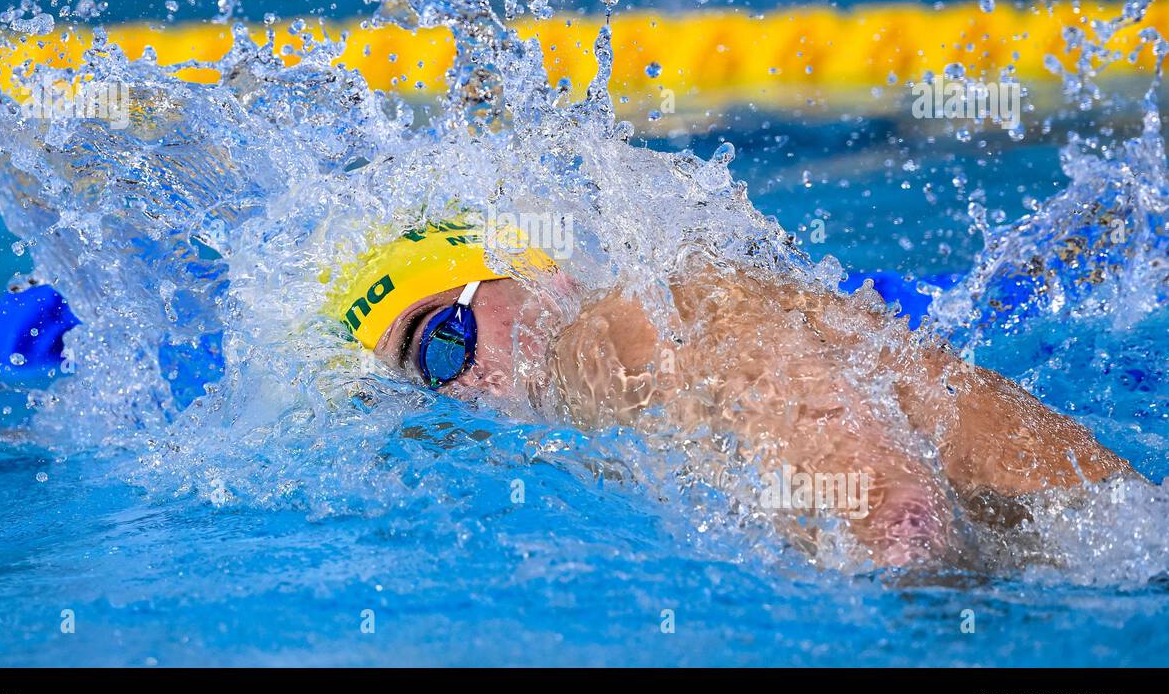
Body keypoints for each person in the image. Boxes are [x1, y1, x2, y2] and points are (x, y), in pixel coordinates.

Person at [323, 216, 1136, 568]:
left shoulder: (614, 328)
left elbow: (899, 517)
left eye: (441, 343)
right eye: (423, 386)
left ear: (534, 275)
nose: (459, 390)